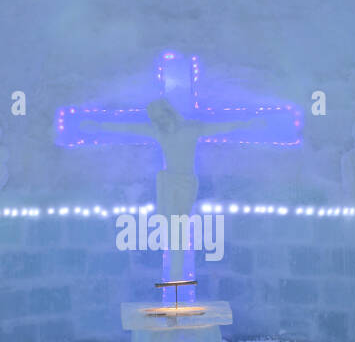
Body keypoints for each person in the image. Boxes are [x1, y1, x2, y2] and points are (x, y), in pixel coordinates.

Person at [80, 98, 253, 282]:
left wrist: (246, 124)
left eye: (161, 117)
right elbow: (129, 129)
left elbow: (220, 128)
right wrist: (99, 126)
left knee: (180, 226)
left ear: (169, 113)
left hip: (186, 184)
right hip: (168, 182)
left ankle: (177, 271)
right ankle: (175, 272)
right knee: (172, 228)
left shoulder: (190, 130)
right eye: (155, 120)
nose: (159, 122)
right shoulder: (160, 133)